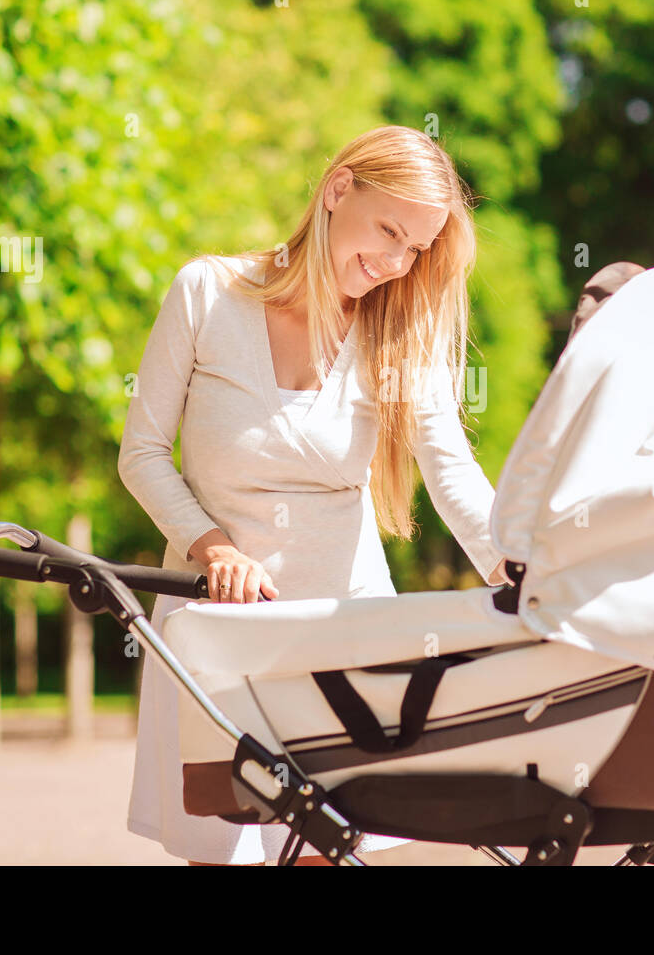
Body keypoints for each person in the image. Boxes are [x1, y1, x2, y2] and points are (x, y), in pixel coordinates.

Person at [118, 125, 514, 865]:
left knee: (325, 853)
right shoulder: (208, 292)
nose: (397, 260)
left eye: (417, 247)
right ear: (338, 191)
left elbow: (451, 471)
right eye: (390, 229)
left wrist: (514, 569)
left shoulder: (401, 330)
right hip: (215, 629)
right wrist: (214, 546)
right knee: (220, 852)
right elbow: (140, 454)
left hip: (342, 630)